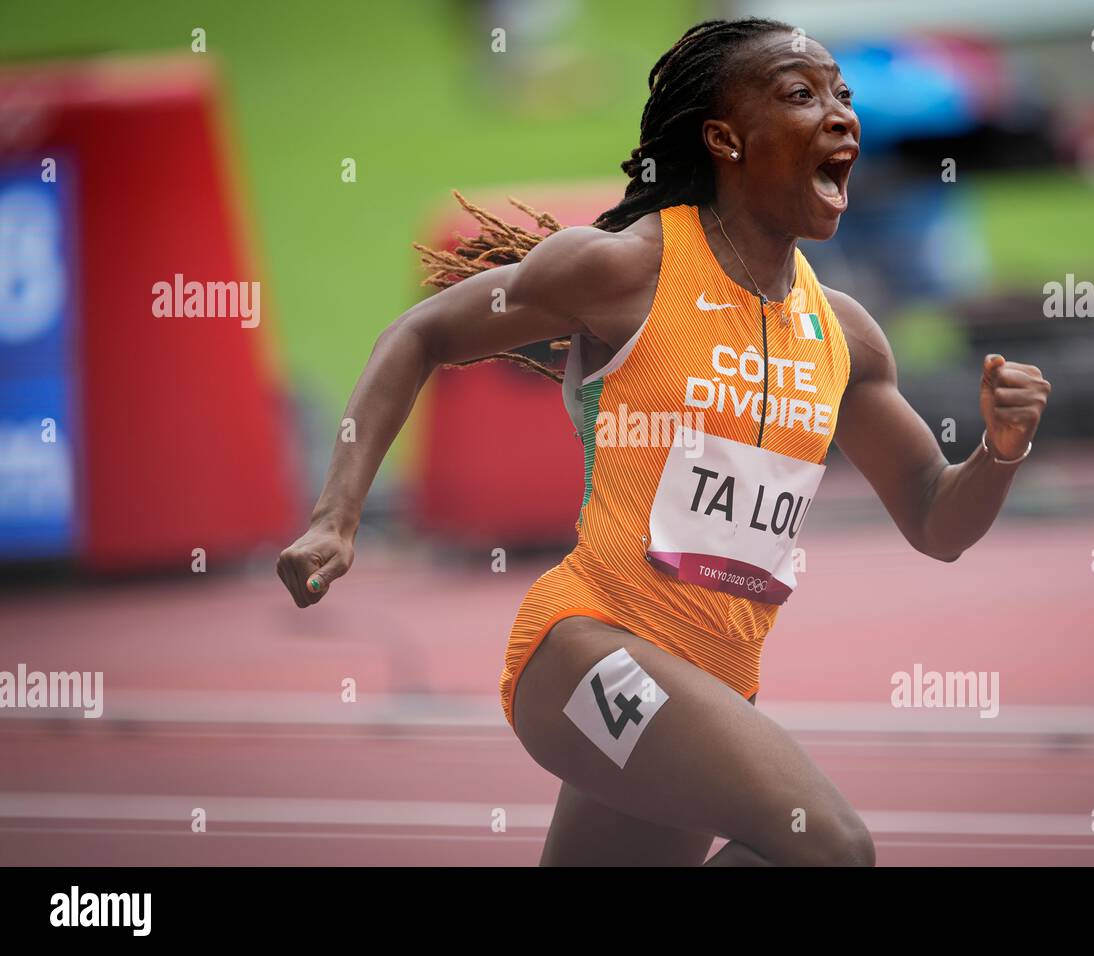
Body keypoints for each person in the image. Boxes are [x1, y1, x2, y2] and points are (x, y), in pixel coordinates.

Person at [276, 17, 1051, 866]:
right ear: (725, 139)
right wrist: (336, 516)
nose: (841, 116)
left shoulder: (847, 337)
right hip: (585, 653)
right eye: (802, 95)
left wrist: (1000, 451)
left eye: (843, 96)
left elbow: (938, 522)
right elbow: (421, 332)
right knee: (828, 848)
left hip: (712, 689)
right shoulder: (629, 270)